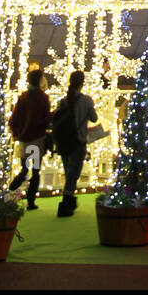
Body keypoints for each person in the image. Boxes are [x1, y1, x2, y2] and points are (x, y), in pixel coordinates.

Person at [52, 71, 98, 217]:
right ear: (82, 82)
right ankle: (67, 201)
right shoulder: (86, 100)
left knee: (68, 171)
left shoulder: (64, 100)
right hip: (78, 141)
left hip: (64, 140)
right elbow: (94, 118)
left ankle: (68, 201)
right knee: (74, 174)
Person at [8, 70, 51, 210]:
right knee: (35, 171)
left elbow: (14, 118)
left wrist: (16, 133)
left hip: (24, 139)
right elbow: (45, 118)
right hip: (36, 139)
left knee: (24, 169)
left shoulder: (23, 97)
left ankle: (10, 190)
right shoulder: (42, 98)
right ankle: (30, 201)